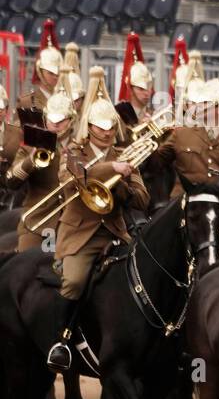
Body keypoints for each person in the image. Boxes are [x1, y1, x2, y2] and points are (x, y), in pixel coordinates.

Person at [46, 68, 150, 371]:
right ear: (89, 126)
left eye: (109, 127)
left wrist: (127, 184)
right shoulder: (73, 152)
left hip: (116, 232)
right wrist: (112, 169)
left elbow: (143, 200)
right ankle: (61, 341)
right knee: (75, 281)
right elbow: (72, 181)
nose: (105, 132)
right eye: (99, 127)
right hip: (83, 234)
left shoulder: (127, 154)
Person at [6, 67, 78, 251]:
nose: (56, 124)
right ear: (45, 118)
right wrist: (31, 159)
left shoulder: (80, 148)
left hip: (73, 226)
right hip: (38, 222)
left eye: (61, 120)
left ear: (71, 120)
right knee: (24, 270)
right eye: (52, 119)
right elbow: (11, 181)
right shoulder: (31, 145)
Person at [151, 61, 219, 195]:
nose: (199, 107)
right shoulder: (181, 134)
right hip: (184, 205)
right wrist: (149, 139)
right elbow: (155, 164)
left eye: (205, 104)